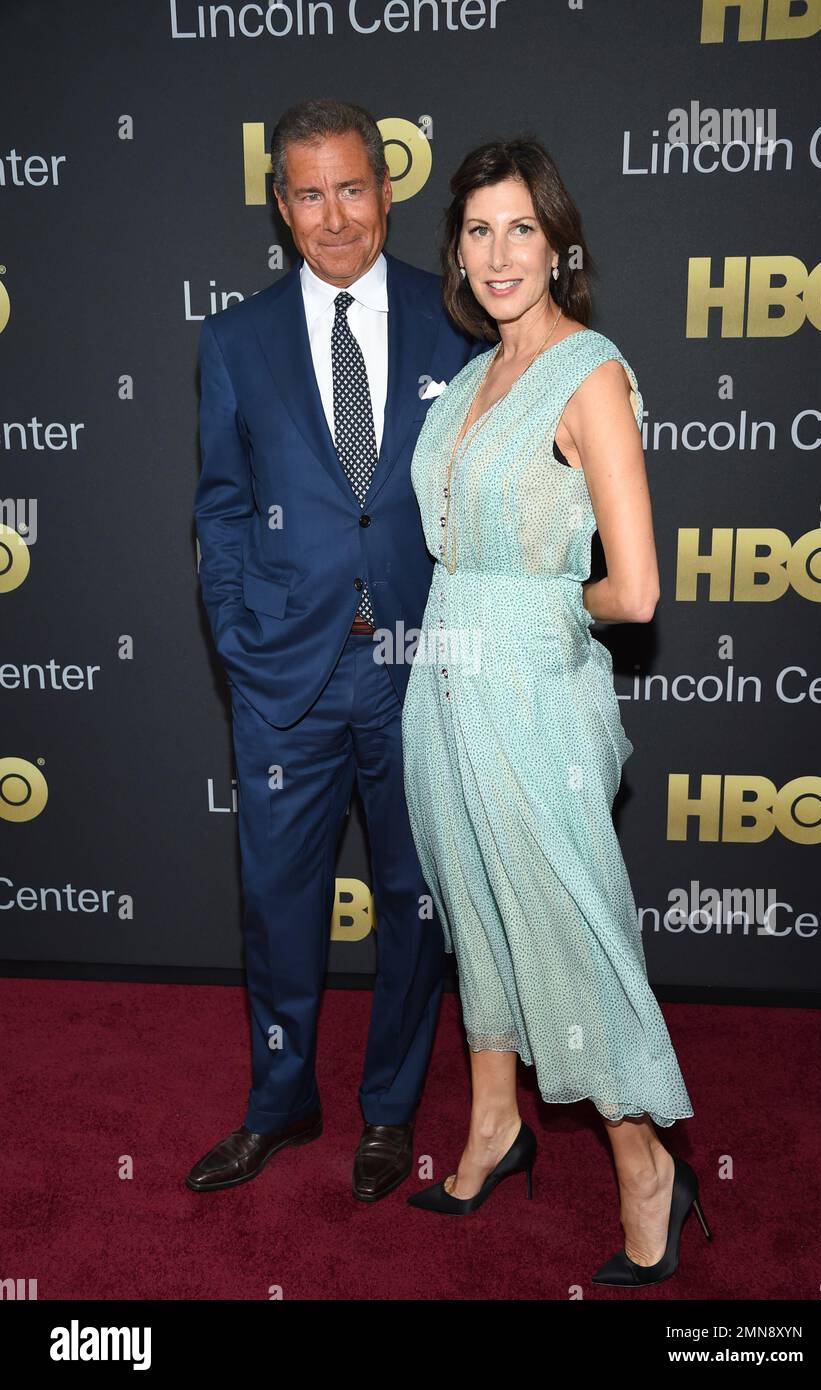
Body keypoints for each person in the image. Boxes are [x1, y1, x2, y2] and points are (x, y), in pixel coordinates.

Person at [400, 138, 710, 1286]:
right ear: (456, 251)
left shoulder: (586, 373)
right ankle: (493, 1123)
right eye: (477, 230)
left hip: (532, 694)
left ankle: (647, 1166)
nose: (498, 252)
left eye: (520, 227)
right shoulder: (474, 368)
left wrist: (531, 610)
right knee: (475, 918)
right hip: (444, 693)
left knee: (567, 934)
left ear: (558, 240)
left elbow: (632, 590)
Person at [188, 99, 484, 1203]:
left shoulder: (452, 314)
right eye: (307, 193)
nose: (332, 214)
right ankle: (280, 1100)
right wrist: (237, 636)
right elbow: (220, 507)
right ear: (280, 204)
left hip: (418, 666)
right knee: (276, 898)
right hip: (286, 673)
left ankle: (390, 1110)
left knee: (414, 901)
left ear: (385, 188)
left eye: (350, 188)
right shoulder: (234, 338)